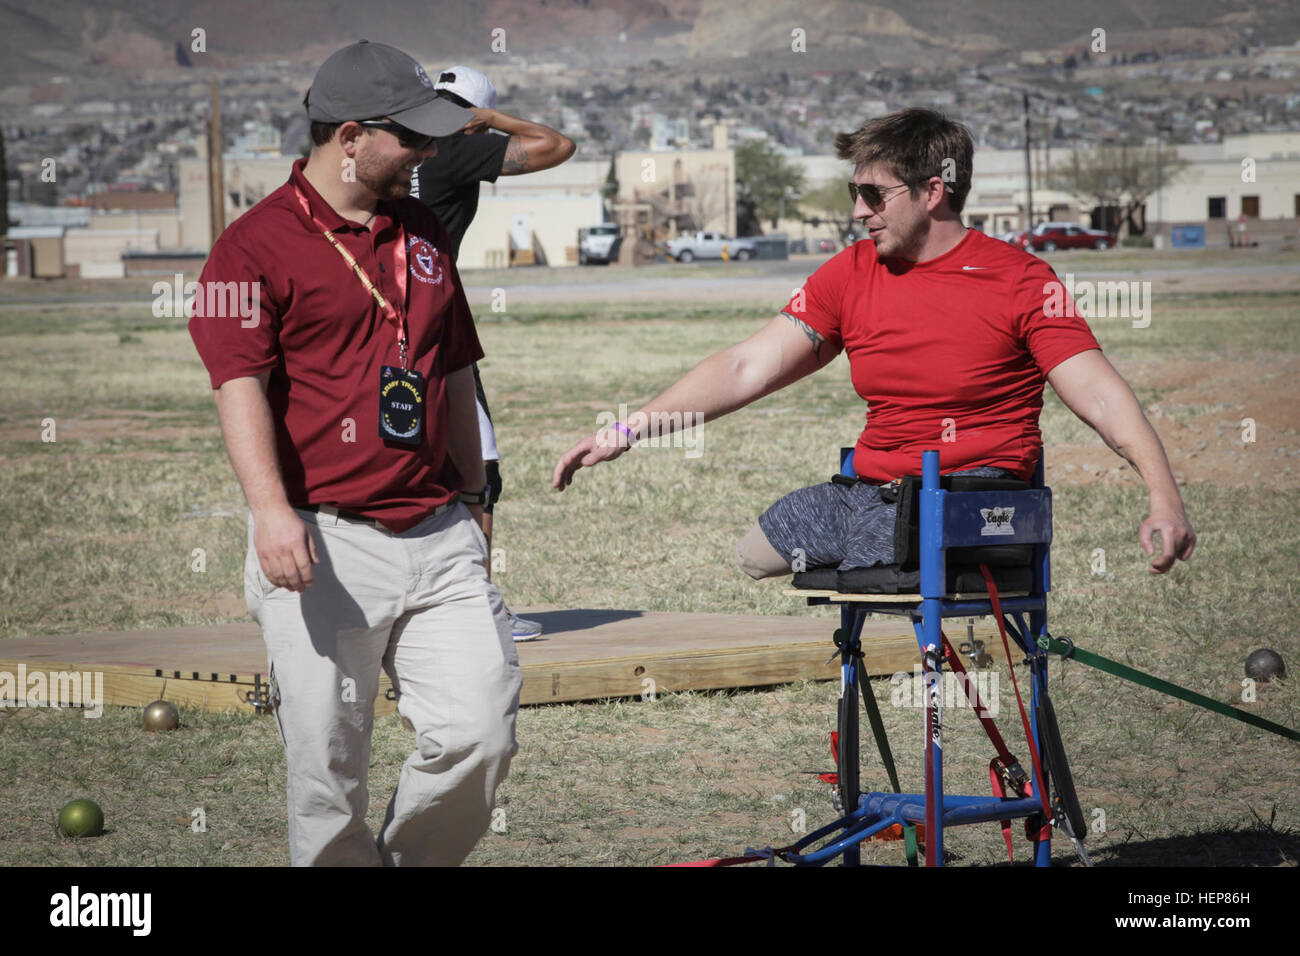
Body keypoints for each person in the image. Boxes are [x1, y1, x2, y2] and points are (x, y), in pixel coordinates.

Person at [553, 108, 1196, 581]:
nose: (859, 211)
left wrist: (1164, 498)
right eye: (854, 193)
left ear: (933, 192)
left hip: (976, 497)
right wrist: (628, 430)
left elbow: (1102, 397)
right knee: (754, 554)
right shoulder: (851, 272)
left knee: (891, 548)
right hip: (877, 490)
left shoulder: (1021, 280)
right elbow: (748, 364)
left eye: (873, 194)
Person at [188, 40, 522, 866]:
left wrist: (476, 502)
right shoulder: (250, 247)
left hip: (438, 532)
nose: (429, 153)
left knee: (480, 736)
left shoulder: (424, 232)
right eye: (411, 137)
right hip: (322, 541)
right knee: (328, 775)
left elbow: (449, 371)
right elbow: (239, 387)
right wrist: (270, 513)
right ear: (350, 137)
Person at [413, 65, 576, 641]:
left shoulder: (401, 149)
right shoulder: (458, 149)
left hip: (387, 324)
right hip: (437, 327)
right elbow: (557, 145)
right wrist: (491, 122)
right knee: (479, 465)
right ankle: (475, 607)